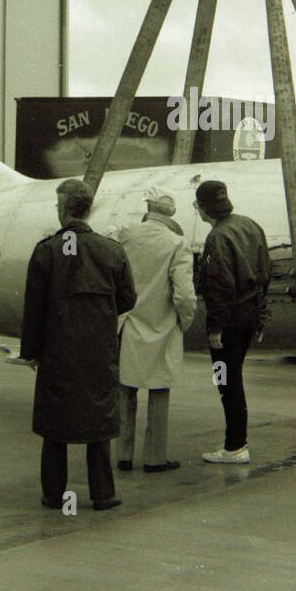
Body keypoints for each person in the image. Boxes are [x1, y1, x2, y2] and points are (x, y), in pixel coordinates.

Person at [20, 178, 137, 510]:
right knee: (98, 424)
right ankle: (103, 494)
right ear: (89, 210)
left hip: (57, 352)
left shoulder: (47, 251)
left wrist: (30, 351)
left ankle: (53, 495)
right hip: (99, 352)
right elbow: (128, 298)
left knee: (55, 428)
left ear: (61, 210)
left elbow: (34, 308)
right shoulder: (112, 250)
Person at [115, 188, 197, 472]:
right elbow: (184, 295)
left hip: (128, 323)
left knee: (125, 389)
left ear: (148, 207)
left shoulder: (125, 235)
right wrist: (184, 322)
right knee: (159, 391)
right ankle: (154, 457)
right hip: (162, 325)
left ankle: (123, 455)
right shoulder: (178, 244)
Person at [194, 179, 270, 465]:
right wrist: (261, 317)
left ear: (204, 208)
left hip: (229, 319)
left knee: (227, 381)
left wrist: (215, 327)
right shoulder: (250, 225)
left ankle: (235, 446)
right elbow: (265, 271)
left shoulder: (216, 238)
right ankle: (235, 443)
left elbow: (219, 286)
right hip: (249, 313)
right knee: (233, 377)